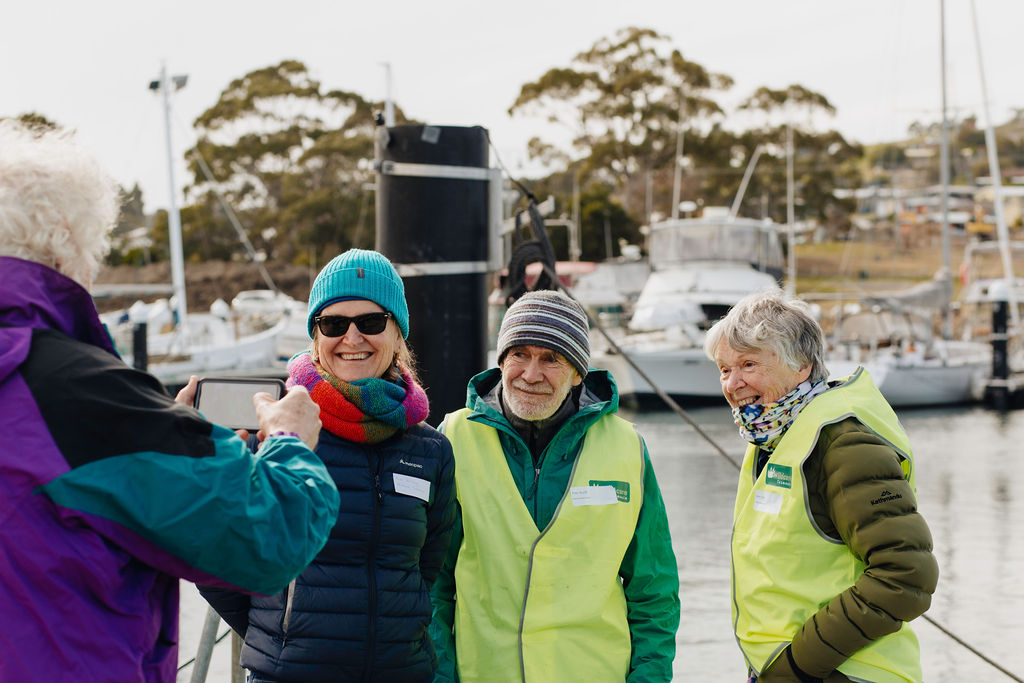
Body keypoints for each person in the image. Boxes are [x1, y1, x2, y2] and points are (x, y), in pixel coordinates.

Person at [0, 120, 341, 682]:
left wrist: (177, 431)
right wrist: (289, 441)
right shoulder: (83, 396)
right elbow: (268, 535)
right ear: (68, 239)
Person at [200, 248, 457, 682]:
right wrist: (277, 639)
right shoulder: (275, 432)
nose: (352, 338)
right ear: (316, 337)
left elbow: (426, 569)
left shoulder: (430, 450)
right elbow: (212, 555)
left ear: (397, 334)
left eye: (371, 322)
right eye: (334, 324)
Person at [431, 289, 680, 682]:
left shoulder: (627, 447)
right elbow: (432, 585)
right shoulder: (453, 438)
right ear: (500, 361)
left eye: (551, 358)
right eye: (519, 354)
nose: (531, 374)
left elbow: (653, 591)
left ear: (579, 372)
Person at [703, 290, 939, 683]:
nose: (733, 383)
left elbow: (906, 574)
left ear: (802, 366)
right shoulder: (775, 438)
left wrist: (796, 666)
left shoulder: (844, 444)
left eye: (748, 364)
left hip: (844, 673)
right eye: (724, 370)